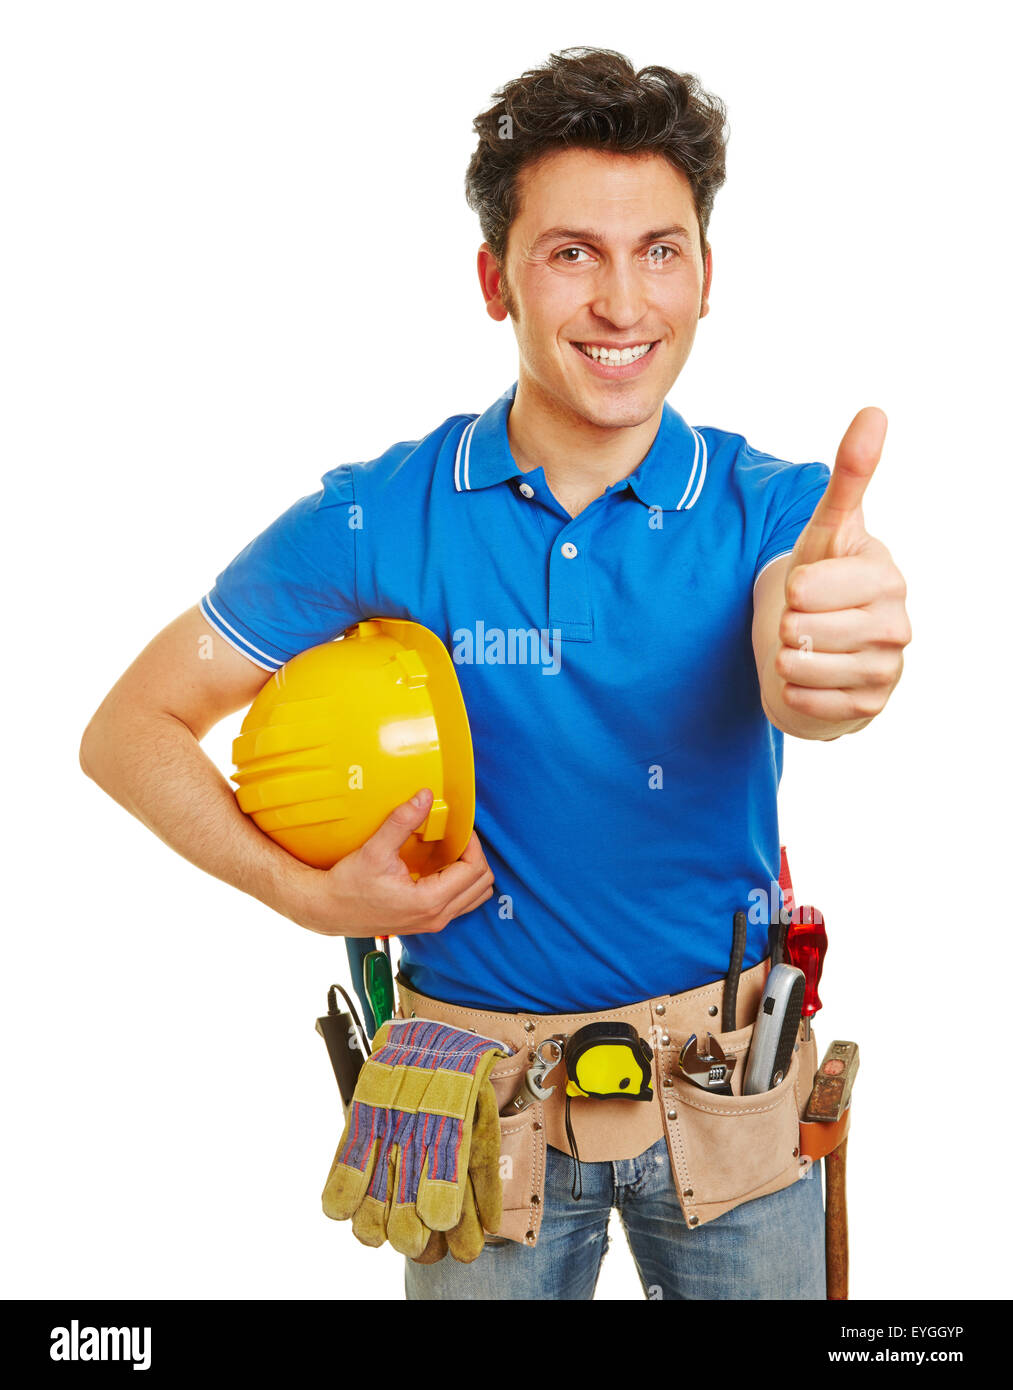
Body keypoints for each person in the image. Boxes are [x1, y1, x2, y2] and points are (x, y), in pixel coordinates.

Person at [80, 46, 911, 1300]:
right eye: (572, 252)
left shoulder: (775, 514)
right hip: (471, 1106)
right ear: (494, 279)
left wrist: (831, 659)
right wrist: (299, 894)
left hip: (728, 1089)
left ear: (704, 276)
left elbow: (804, 652)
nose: (622, 303)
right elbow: (128, 730)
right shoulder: (376, 521)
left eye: (661, 251)